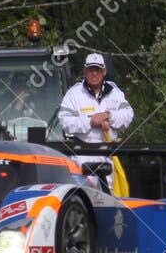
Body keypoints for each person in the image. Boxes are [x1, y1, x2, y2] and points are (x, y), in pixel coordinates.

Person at [57, 53, 134, 183]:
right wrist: (90, 122)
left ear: (104, 71)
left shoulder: (115, 91)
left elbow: (128, 114)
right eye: (90, 70)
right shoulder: (74, 93)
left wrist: (108, 116)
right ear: (84, 71)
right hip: (82, 156)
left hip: (109, 155)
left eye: (97, 70)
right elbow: (64, 121)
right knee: (87, 195)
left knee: (111, 197)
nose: (94, 74)